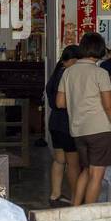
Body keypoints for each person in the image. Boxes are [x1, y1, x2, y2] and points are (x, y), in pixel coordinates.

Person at [57, 32, 111, 206]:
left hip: (78, 130)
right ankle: (88, 218)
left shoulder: (68, 73)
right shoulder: (100, 73)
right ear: (101, 50)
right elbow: (109, 106)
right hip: (99, 130)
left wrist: (79, 102)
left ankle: (76, 208)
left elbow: (60, 103)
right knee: (96, 174)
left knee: (86, 171)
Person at [44, 45, 82, 206]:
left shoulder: (56, 72)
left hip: (55, 123)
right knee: (73, 163)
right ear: (73, 60)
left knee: (59, 160)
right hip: (67, 123)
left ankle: (55, 194)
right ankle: (75, 198)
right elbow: (64, 102)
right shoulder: (68, 74)